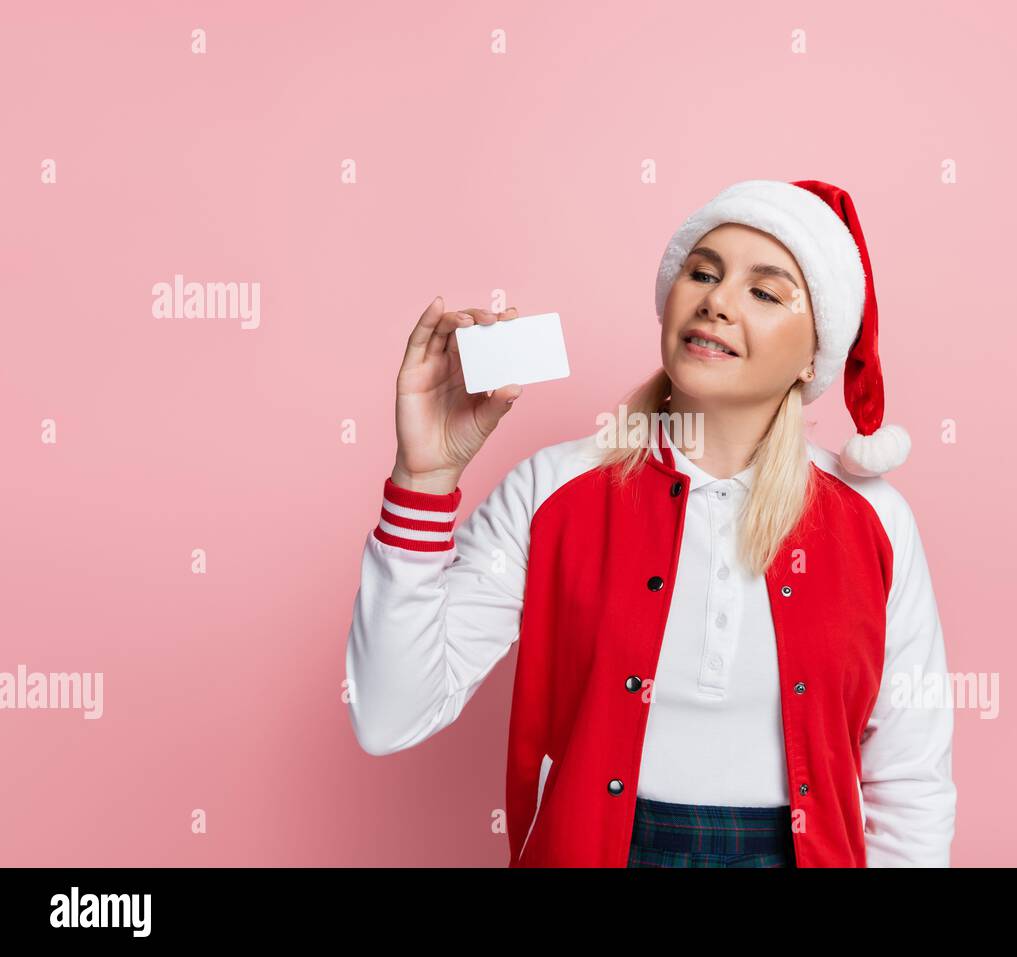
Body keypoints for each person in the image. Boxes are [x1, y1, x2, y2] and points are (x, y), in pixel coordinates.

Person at [345, 179, 956, 868]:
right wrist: (423, 483)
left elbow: (910, 783)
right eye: (702, 272)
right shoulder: (553, 490)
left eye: (764, 290)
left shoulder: (874, 519)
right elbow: (388, 715)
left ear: (818, 352)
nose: (717, 301)